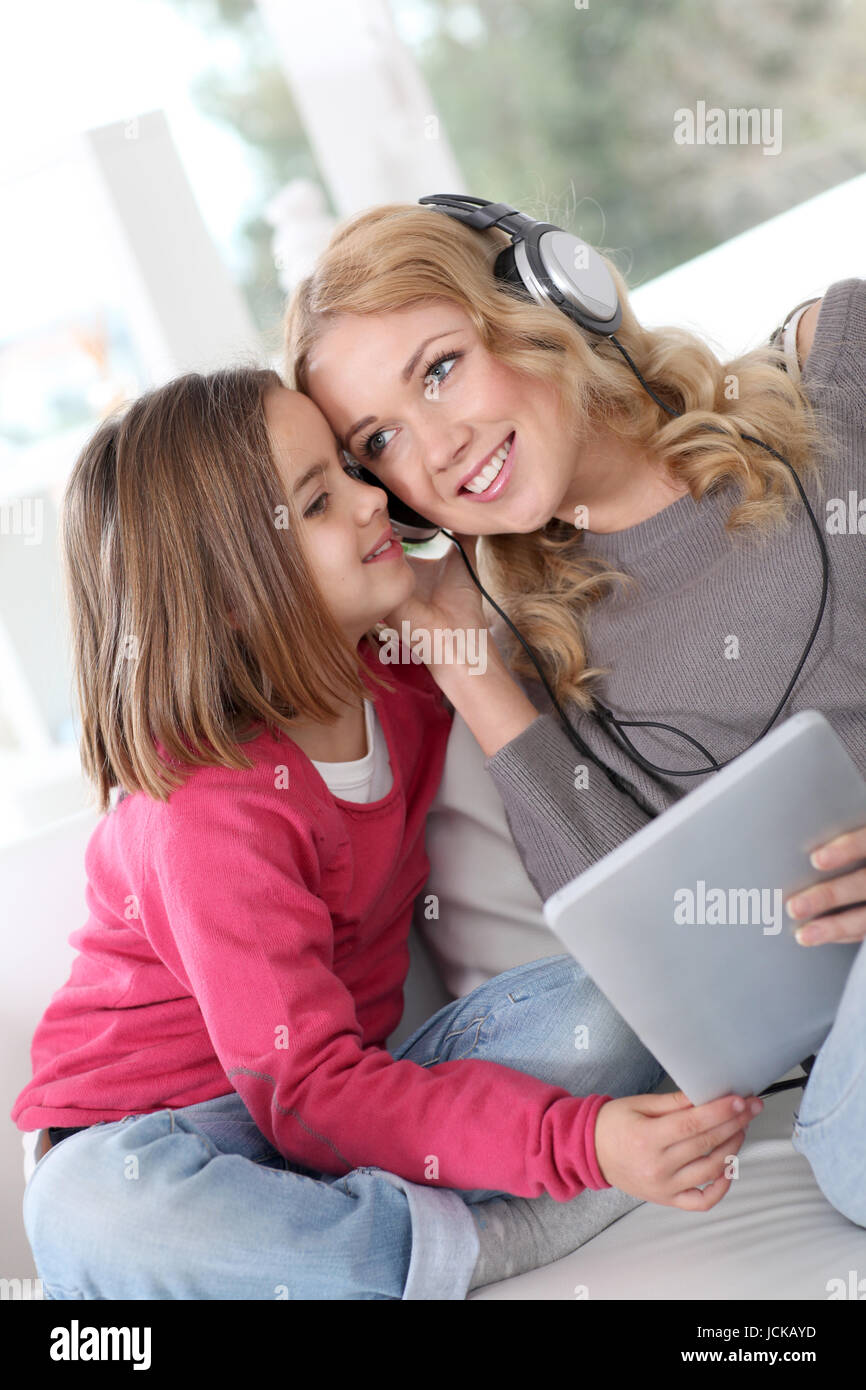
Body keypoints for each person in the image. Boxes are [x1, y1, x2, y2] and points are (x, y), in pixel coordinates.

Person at [12, 368, 762, 1302]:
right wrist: (579, 1145)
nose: (374, 498)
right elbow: (303, 1094)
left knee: (612, 1004)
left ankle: (372, 1235)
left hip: (344, 1109)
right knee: (100, 1219)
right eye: (322, 500)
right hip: (164, 1140)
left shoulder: (406, 680)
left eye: (347, 468)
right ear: (234, 598)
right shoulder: (206, 805)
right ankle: (487, 1239)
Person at [283, 200, 866, 1229]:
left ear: (541, 296)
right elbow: (652, 972)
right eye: (380, 440)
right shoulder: (539, 665)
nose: (439, 447)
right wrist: (469, 666)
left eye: (438, 369)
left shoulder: (834, 365)